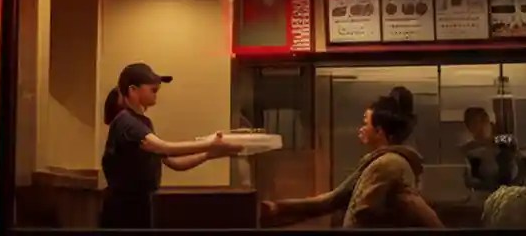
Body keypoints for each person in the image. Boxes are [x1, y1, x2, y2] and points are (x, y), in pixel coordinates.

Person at [260, 87, 443, 229]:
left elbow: (362, 215)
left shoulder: (388, 164)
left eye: (366, 123)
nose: (361, 129)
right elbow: (333, 200)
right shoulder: (382, 162)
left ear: (379, 131)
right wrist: (279, 208)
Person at [100, 62, 242, 229]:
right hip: (123, 211)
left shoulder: (142, 123)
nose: (156, 92)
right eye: (152, 89)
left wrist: (211, 153)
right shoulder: (126, 122)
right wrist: (209, 144)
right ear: (133, 90)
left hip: (141, 206)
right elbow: (164, 147)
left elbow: (174, 162)